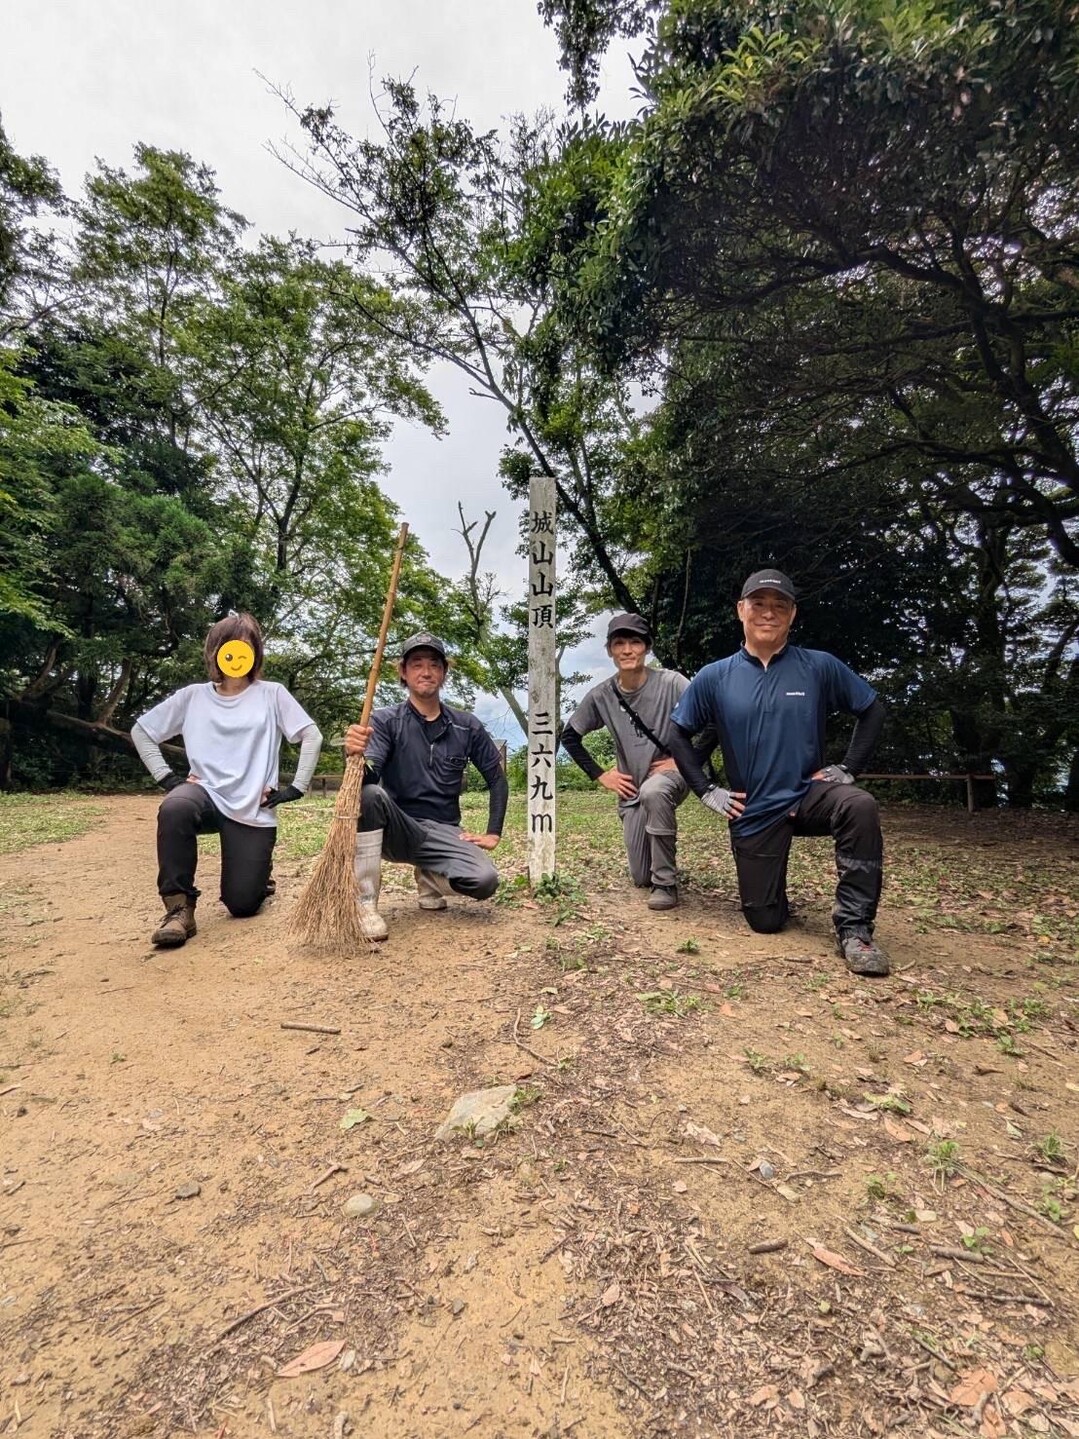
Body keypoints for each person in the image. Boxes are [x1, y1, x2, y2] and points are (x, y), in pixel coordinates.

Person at [666, 569, 889, 976]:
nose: (769, 613)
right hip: (755, 808)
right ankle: (772, 896)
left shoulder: (818, 667)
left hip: (809, 793)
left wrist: (849, 769)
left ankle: (855, 929)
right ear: (741, 610)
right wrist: (706, 790)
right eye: (759, 604)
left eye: (779, 605)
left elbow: (871, 709)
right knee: (765, 922)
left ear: (792, 614)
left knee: (859, 806)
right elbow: (677, 733)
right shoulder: (716, 676)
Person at [132, 612, 323, 948]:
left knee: (242, 905)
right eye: (228, 648)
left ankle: (260, 875)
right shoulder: (193, 696)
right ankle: (179, 910)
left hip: (252, 806)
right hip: (203, 794)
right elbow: (142, 730)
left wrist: (296, 787)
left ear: (255, 654)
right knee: (175, 807)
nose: (236, 657)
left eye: (245, 648)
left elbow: (311, 735)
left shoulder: (272, 694)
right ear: (214, 652)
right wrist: (168, 779)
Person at [343, 632, 508, 940]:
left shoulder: (466, 725)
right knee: (370, 795)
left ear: (444, 672)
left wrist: (494, 831)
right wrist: (354, 755)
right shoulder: (385, 720)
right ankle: (365, 904)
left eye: (434, 664)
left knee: (485, 880)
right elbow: (369, 776)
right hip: (398, 826)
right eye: (416, 664)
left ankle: (431, 877)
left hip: (445, 829)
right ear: (403, 672)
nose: (426, 671)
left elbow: (496, 778)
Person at [561, 613, 710, 910]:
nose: (627, 650)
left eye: (635, 642)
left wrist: (684, 762)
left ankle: (665, 883)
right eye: (619, 643)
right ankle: (655, 870)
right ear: (610, 651)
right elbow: (569, 737)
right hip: (632, 787)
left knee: (655, 792)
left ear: (647, 647)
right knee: (641, 876)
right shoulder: (602, 695)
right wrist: (601, 775)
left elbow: (713, 721)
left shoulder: (672, 683)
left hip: (673, 775)